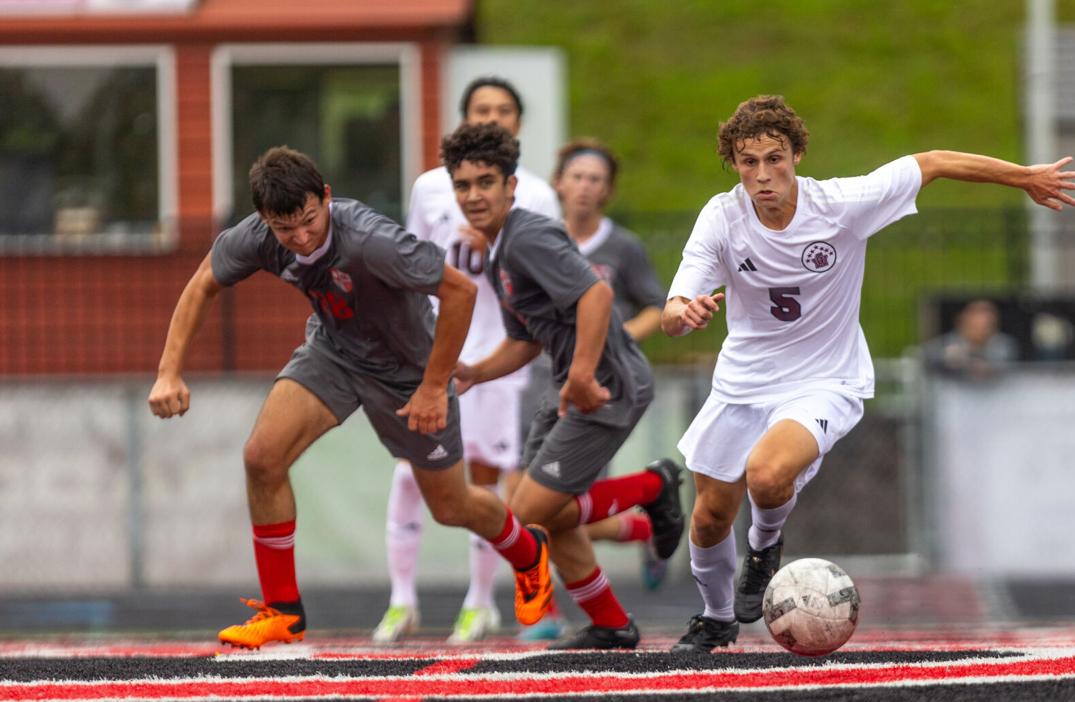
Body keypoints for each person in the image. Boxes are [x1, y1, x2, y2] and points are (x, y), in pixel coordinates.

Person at [661, 94, 1075, 653]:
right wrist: (684, 313)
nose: (762, 175)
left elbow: (933, 162)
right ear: (734, 165)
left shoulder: (842, 204)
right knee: (710, 517)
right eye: (748, 162)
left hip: (825, 380)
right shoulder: (722, 217)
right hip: (742, 383)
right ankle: (716, 620)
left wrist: (1025, 177)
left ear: (796, 156)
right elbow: (674, 308)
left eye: (774, 158)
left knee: (765, 475)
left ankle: (764, 547)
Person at [147, 146, 554, 649]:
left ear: (326, 197)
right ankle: (283, 611)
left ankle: (528, 551)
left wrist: (433, 386)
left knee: (451, 507)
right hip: (335, 353)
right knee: (262, 457)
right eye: (285, 229)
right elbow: (201, 284)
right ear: (264, 220)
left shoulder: (370, 239)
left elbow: (459, 292)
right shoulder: (257, 236)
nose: (300, 238)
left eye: (309, 222)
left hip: (408, 371)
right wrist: (168, 373)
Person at [446, 122, 685, 650]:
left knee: (525, 514)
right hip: (569, 385)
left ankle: (653, 487)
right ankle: (611, 624)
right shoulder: (499, 251)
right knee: (549, 519)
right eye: (463, 185)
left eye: (486, 182)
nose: (474, 195)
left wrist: (580, 374)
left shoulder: (527, 236)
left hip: (606, 383)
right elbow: (525, 340)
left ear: (510, 186)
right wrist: (475, 372)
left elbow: (597, 295)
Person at [374, 76, 561, 645]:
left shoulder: (537, 195)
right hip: (434, 350)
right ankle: (401, 600)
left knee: (483, 475)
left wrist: (494, 245)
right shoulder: (431, 188)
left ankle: (479, 602)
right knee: (410, 470)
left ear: (518, 124)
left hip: (499, 357)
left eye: (504, 110)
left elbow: (549, 281)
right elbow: (410, 263)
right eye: (483, 108)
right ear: (464, 118)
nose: (493, 118)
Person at [551, 138, 668, 588]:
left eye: (595, 179)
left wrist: (618, 338)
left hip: (599, 385)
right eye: (577, 177)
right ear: (559, 183)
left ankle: (551, 611)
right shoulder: (542, 241)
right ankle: (644, 525)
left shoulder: (622, 246)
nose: (585, 186)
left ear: (608, 190)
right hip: (542, 379)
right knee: (533, 506)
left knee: (557, 509)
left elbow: (657, 306)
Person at [923, 298, 1017, 379]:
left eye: (988, 326)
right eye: (977, 326)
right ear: (962, 321)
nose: (982, 330)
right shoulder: (943, 344)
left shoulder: (1004, 344)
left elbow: (1005, 366)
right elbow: (925, 359)